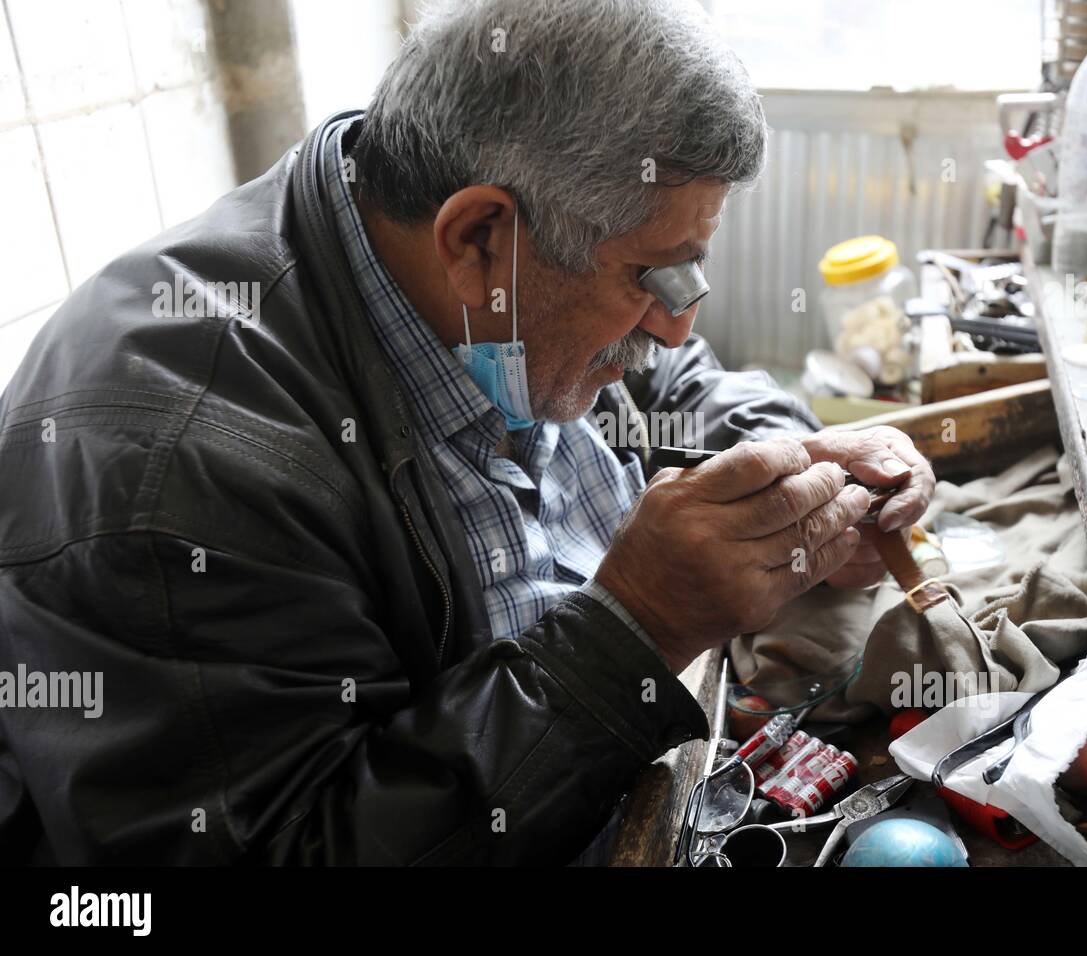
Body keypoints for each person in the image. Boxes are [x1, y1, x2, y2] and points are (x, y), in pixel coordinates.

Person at [0, 0, 934, 864]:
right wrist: (637, 629)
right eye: (656, 277)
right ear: (478, 238)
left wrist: (795, 472)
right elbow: (293, 849)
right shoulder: (175, 475)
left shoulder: (483, 262)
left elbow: (681, 378)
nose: (678, 321)